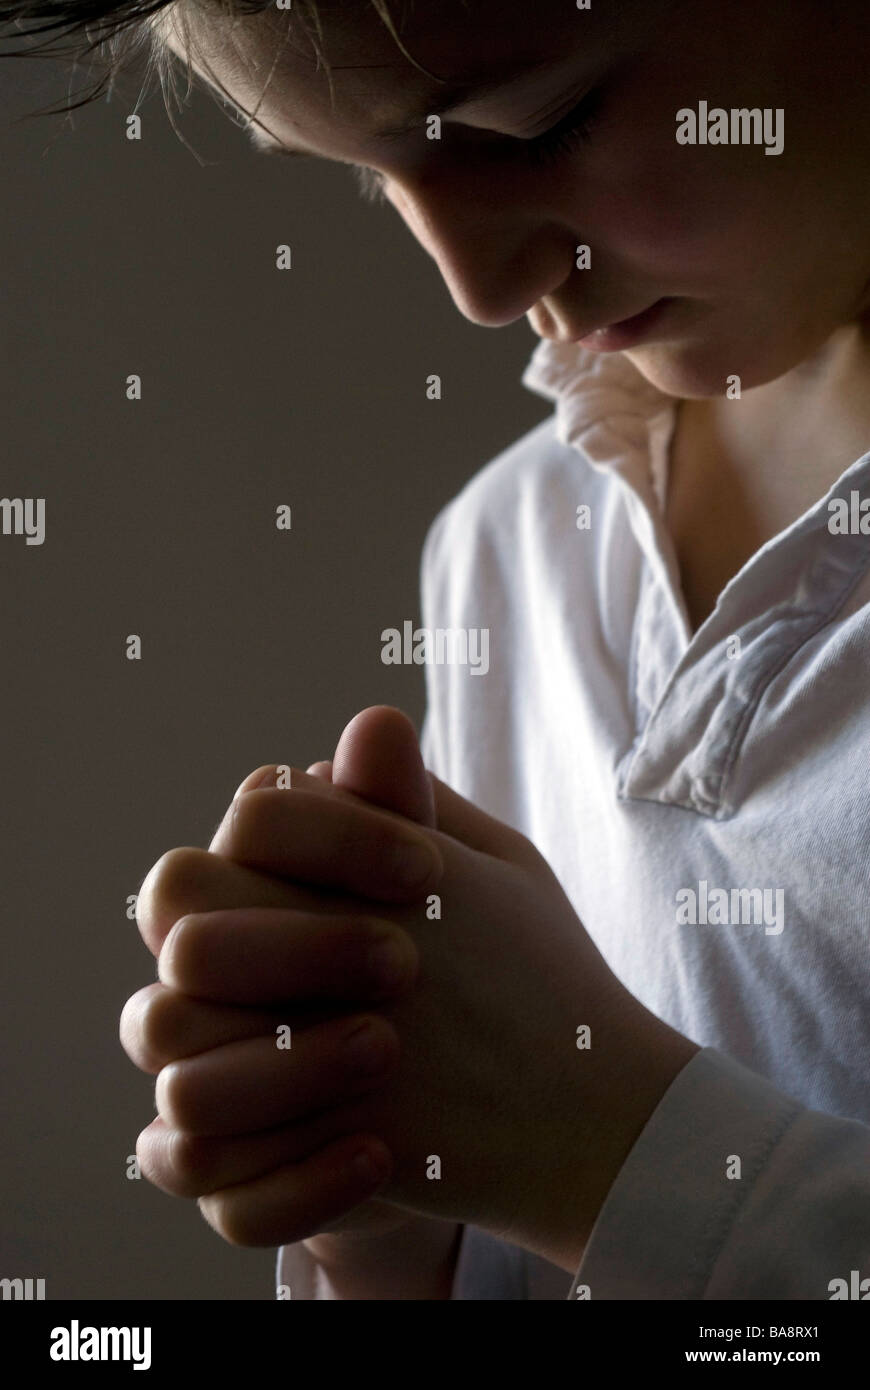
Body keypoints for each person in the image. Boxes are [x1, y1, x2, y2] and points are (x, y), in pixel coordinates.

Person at [7, 0, 870, 1298]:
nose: (475, 291)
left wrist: (609, 1152)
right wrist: (388, 1191)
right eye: (364, 174)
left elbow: (598, 1165)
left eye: (540, 122)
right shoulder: (509, 546)